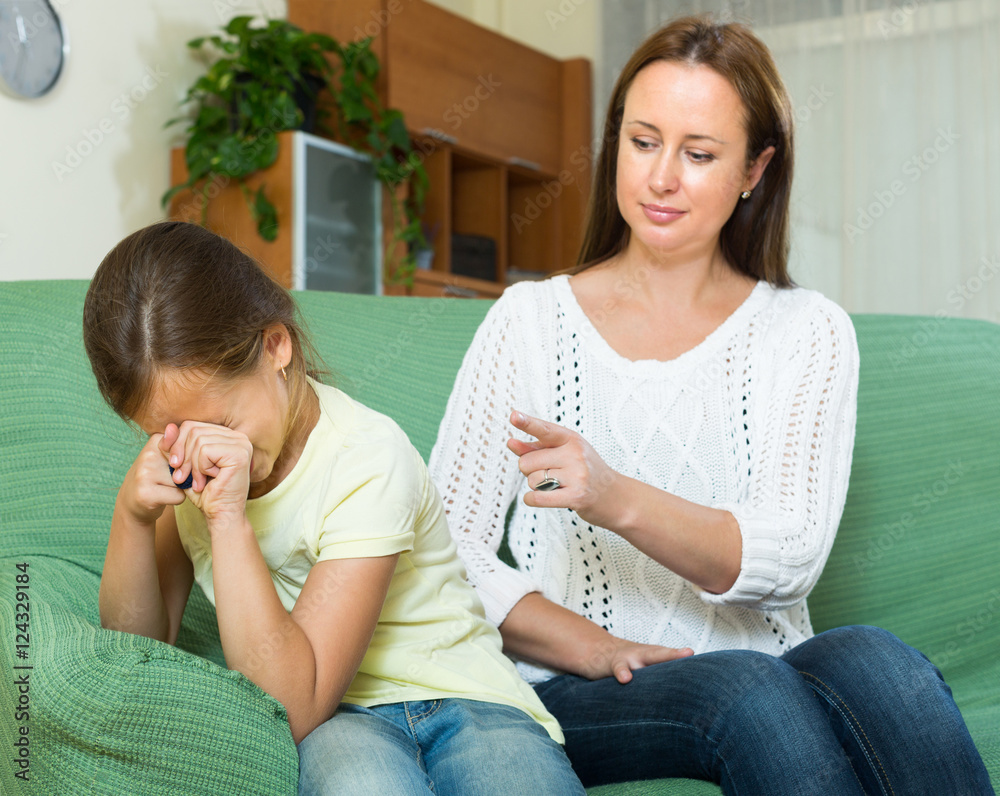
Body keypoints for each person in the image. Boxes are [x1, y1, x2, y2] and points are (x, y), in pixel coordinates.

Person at [429, 15, 995, 795]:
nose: (662, 177)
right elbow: (442, 544)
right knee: (747, 693)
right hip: (584, 687)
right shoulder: (529, 322)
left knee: (881, 663)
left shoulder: (808, 331)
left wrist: (613, 494)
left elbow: (790, 554)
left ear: (755, 170)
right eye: (642, 141)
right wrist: (589, 642)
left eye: (699, 155)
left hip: (769, 658)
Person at [82, 221, 586, 796]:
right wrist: (133, 515)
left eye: (219, 425)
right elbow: (142, 647)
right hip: (339, 716)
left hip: (466, 696)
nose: (198, 453)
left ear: (276, 346)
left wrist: (228, 520)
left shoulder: (367, 456)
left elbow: (302, 697)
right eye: (167, 435)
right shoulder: (195, 471)